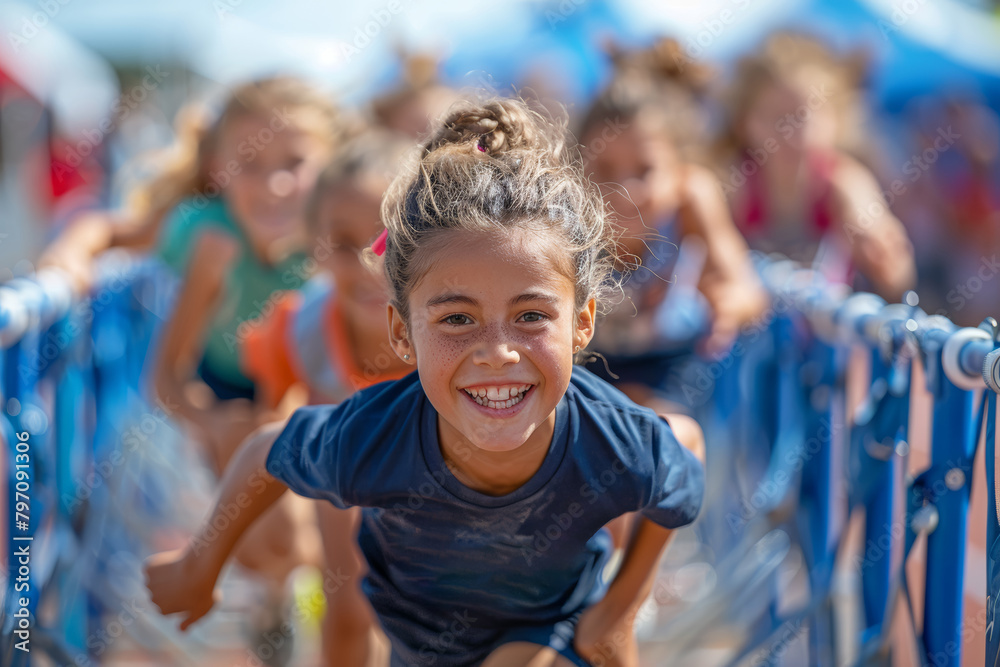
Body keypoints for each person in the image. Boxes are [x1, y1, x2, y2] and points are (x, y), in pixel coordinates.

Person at [145, 97, 706, 667]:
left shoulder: (609, 439)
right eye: (457, 320)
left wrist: (619, 610)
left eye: (532, 316)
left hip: (553, 630)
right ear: (403, 333)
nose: (497, 353)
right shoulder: (377, 436)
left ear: (583, 322)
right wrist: (199, 567)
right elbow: (268, 451)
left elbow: (684, 446)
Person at [149, 76, 341, 664]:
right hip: (223, 389)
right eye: (250, 164)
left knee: (299, 536)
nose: (275, 184)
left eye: (295, 163)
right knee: (260, 544)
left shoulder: (337, 241)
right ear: (218, 169)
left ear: (330, 170)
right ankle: (275, 594)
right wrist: (209, 423)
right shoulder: (214, 243)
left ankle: (305, 600)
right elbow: (167, 376)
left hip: (303, 387)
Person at [240, 130, 415, 667]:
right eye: (343, 244)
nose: (368, 263)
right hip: (349, 476)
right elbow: (271, 417)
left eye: (388, 241)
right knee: (347, 605)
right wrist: (274, 521)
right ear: (313, 245)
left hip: (438, 477)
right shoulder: (301, 327)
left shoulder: (452, 328)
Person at [579, 38, 768, 411]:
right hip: (589, 366)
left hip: (670, 367)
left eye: (645, 171)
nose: (625, 189)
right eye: (604, 171)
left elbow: (750, 292)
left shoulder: (691, 200)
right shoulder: (567, 213)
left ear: (677, 171)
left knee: (658, 428)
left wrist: (726, 307)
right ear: (576, 170)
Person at [716, 32, 915, 301]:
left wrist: (884, 253)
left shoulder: (844, 183)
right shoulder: (735, 183)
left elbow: (896, 272)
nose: (789, 134)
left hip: (825, 330)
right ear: (744, 123)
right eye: (775, 118)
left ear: (835, 122)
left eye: (802, 118)